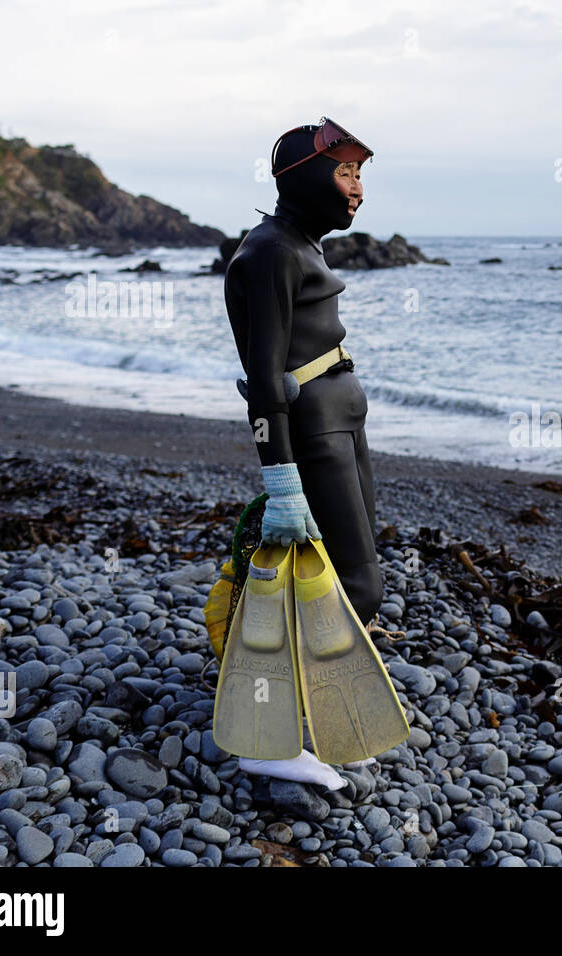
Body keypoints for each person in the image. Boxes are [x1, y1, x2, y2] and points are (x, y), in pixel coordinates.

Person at [223, 117, 398, 788]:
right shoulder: (268, 252)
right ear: (305, 178)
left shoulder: (301, 245)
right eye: (346, 174)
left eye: (360, 175)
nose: (357, 191)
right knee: (352, 583)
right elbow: (264, 377)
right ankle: (269, 738)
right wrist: (281, 479)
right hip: (313, 432)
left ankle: (321, 725)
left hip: (338, 421)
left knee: (350, 575)